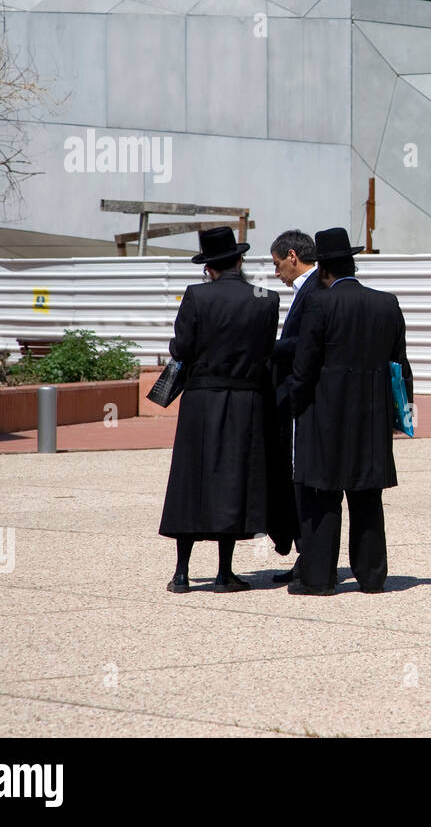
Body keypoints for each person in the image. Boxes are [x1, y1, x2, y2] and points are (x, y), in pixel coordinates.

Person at [285, 227, 413, 595]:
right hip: (371, 416)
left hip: (324, 415)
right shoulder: (386, 303)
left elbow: (304, 366)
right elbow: (399, 366)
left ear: (323, 269)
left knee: (321, 498)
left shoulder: (318, 304)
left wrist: (294, 403)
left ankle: (318, 578)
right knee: (367, 498)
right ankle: (372, 577)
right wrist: (401, 415)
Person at [159, 226, 280, 593]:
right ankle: (224, 572)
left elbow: (182, 348)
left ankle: (182, 573)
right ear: (239, 258)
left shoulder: (196, 296)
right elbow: (266, 351)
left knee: (191, 479)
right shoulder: (266, 298)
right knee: (233, 479)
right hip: (246, 398)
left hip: (201, 398)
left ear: (208, 266)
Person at [267, 229, 321, 582]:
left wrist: (266, 348)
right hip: (298, 395)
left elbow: (307, 342)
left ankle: (310, 558)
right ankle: (304, 554)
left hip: (306, 399)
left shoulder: (315, 289)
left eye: (276, 264)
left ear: (291, 256)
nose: (275, 273)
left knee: (303, 477)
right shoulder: (310, 288)